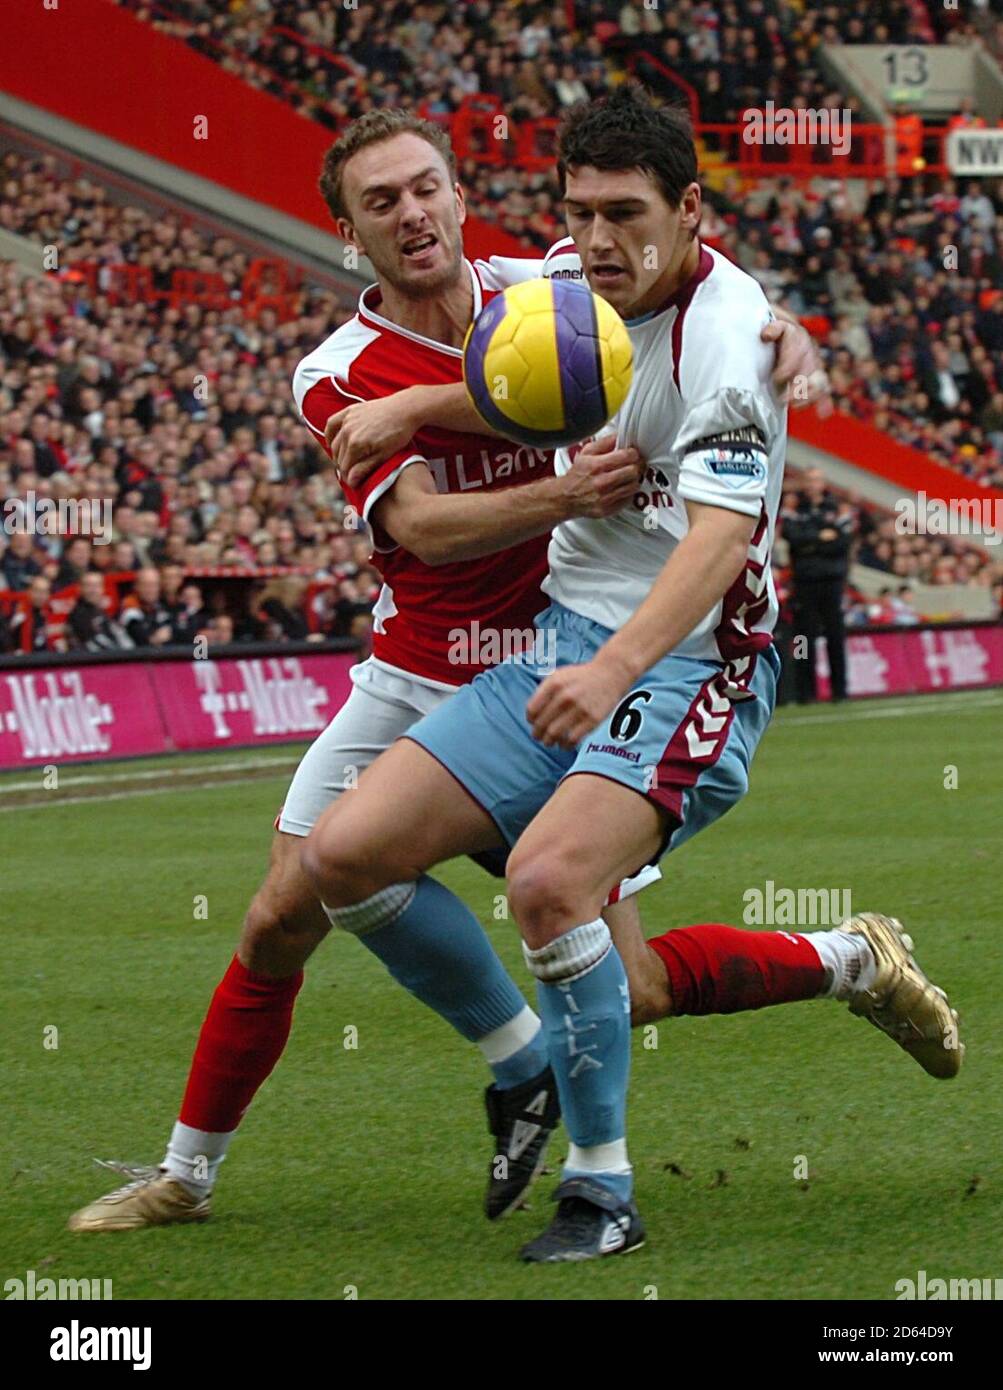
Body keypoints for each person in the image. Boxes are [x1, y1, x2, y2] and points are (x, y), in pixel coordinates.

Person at [67, 103, 823, 1238]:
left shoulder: (552, 286)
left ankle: (844, 960)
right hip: (424, 672)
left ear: (463, 203)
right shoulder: (334, 372)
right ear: (348, 234)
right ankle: (194, 1170)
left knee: (631, 979)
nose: (411, 212)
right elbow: (423, 530)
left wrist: (785, 328)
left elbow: (691, 284)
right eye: (381, 202)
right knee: (299, 895)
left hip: (568, 652)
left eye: (426, 188)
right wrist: (563, 489)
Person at [301, 88, 962, 1263]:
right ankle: (827, 964)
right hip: (563, 643)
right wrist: (410, 397)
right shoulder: (569, 275)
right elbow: (529, 371)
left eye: (624, 217)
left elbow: (713, 546)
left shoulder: (727, 338)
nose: (597, 242)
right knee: (342, 858)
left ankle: (600, 1192)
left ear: (688, 213)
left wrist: (612, 668)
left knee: (551, 884)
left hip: (693, 659)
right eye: (578, 214)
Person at [783, 469, 854, 702]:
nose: (813, 485)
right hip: (804, 583)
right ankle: (805, 692)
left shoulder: (837, 508)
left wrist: (808, 543)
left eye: (817, 480)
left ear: (823, 483)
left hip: (832, 582)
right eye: (809, 480)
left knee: (835, 636)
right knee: (804, 639)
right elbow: (791, 536)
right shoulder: (795, 508)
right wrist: (821, 538)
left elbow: (842, 543)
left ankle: (839, 691)